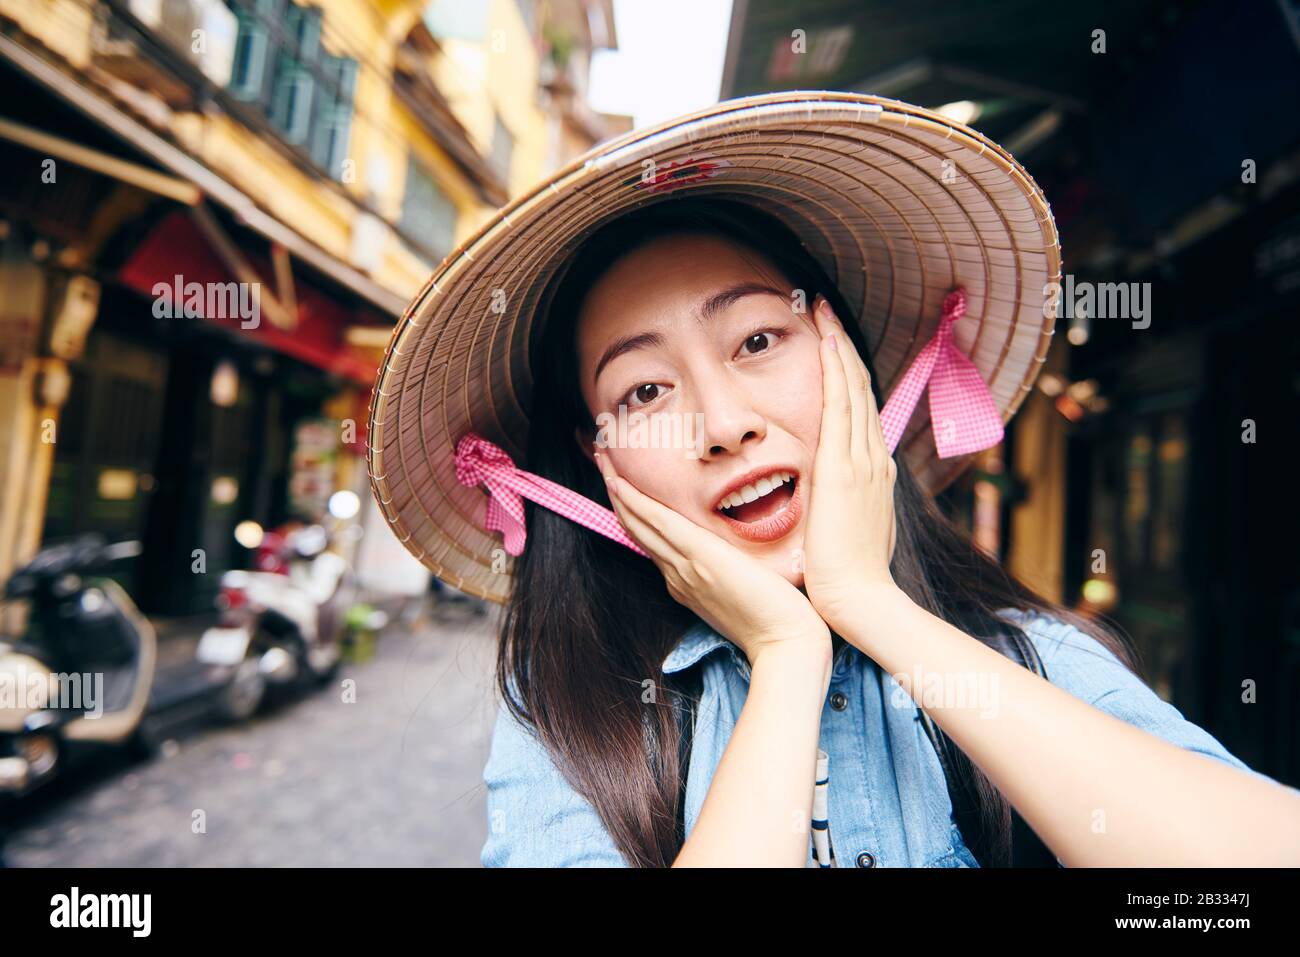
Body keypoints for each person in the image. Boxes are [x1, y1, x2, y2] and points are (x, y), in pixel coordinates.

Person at [366, 92, 1300, 867]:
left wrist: (867, 602)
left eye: (757, 340)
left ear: (847, 358)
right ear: (594, 456)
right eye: (645, 389)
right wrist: (785, 657)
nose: (723, 424)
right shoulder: (570, 713)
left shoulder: (1026, 658)